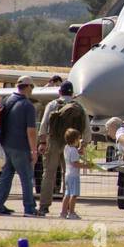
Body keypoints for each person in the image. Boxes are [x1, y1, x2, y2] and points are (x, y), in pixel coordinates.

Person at [36, 81, 86, 216]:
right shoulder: (78, 107)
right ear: (72, 93)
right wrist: (83, 145)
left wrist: (42, 142)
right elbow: (86, 128)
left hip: (53, 141)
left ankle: (44, 206)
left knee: (48, 174)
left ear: (60, 92)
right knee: (68, 174)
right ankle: (68, 208)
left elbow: (44, 124)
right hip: (71, 144)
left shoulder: (52, 104)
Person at [0, 76, 39, 216]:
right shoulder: (27, 105)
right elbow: (31, 131)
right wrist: (34, 150)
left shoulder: (7, 100)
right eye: (32, 87)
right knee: (26, 179)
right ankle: (29, 208)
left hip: (6, 145)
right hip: (21, 147)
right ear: (28, 87)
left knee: (5, 177)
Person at [60, 128, 102, 219]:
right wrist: (87, 166)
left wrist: (81, 147)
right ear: (75, 140)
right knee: (74, 195)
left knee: (67, 194)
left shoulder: (67, 148)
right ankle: (71, 212)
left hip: (68, 174)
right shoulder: (73, 150)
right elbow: (75, 163)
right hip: (74, 175)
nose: (79, 140)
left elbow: (76, 153)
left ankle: (63, 212)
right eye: (78, 139)